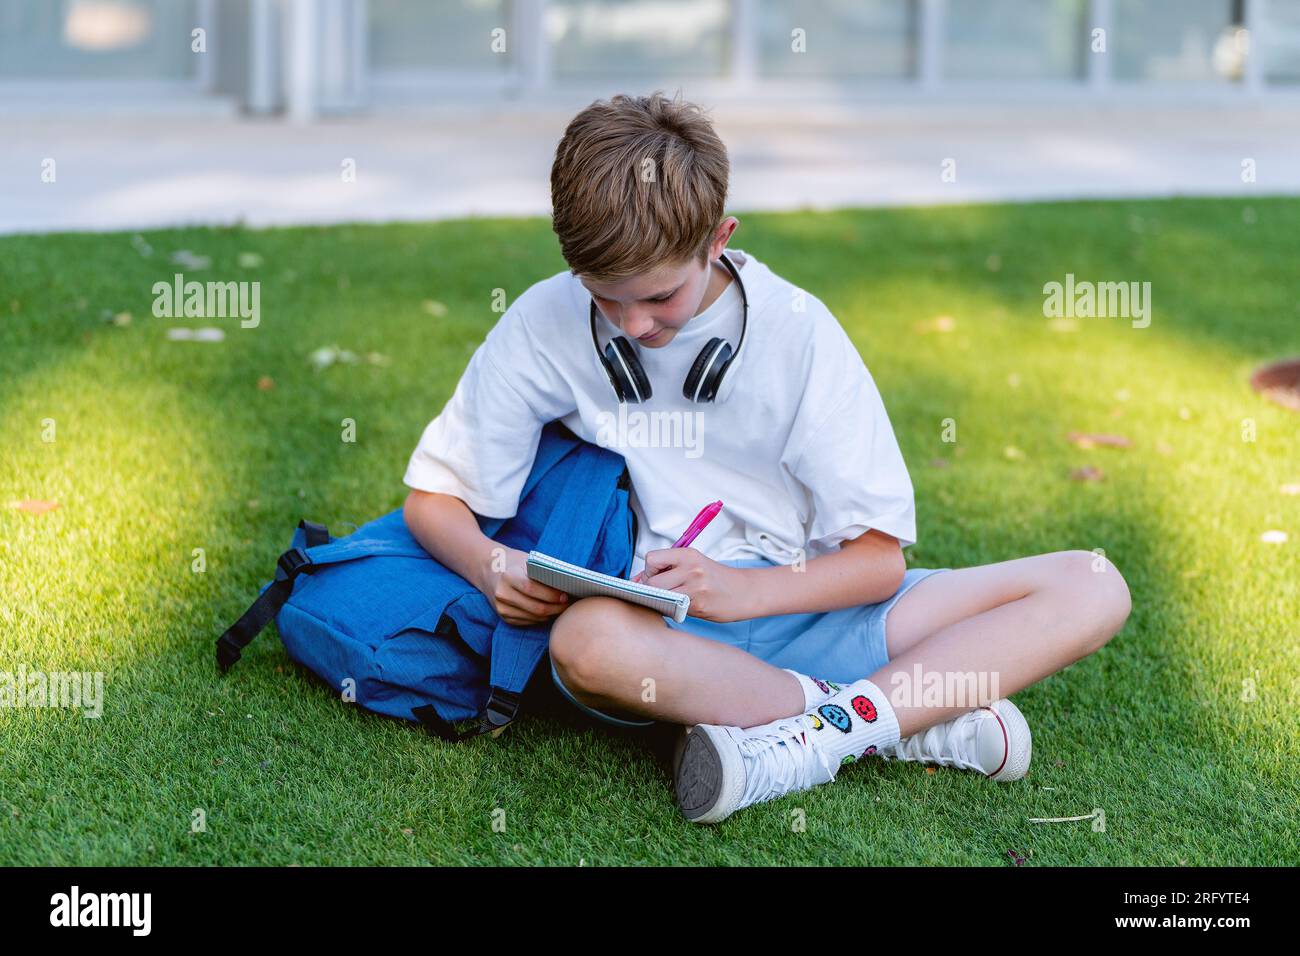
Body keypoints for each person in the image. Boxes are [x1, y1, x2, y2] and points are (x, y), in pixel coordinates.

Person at [402, 92, 1131, 824]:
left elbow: (877, 562)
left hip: (815, 609)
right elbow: (433, 498)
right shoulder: (542, 319)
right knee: (585, 645)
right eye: (604, 298)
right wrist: (488, 564)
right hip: (661, 635)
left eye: (658, 297)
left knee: (1093, 584)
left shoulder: (799, 332)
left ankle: (807, 735)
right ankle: (892, 721)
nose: (632, 325)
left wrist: (743, 592)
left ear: (718, 239)